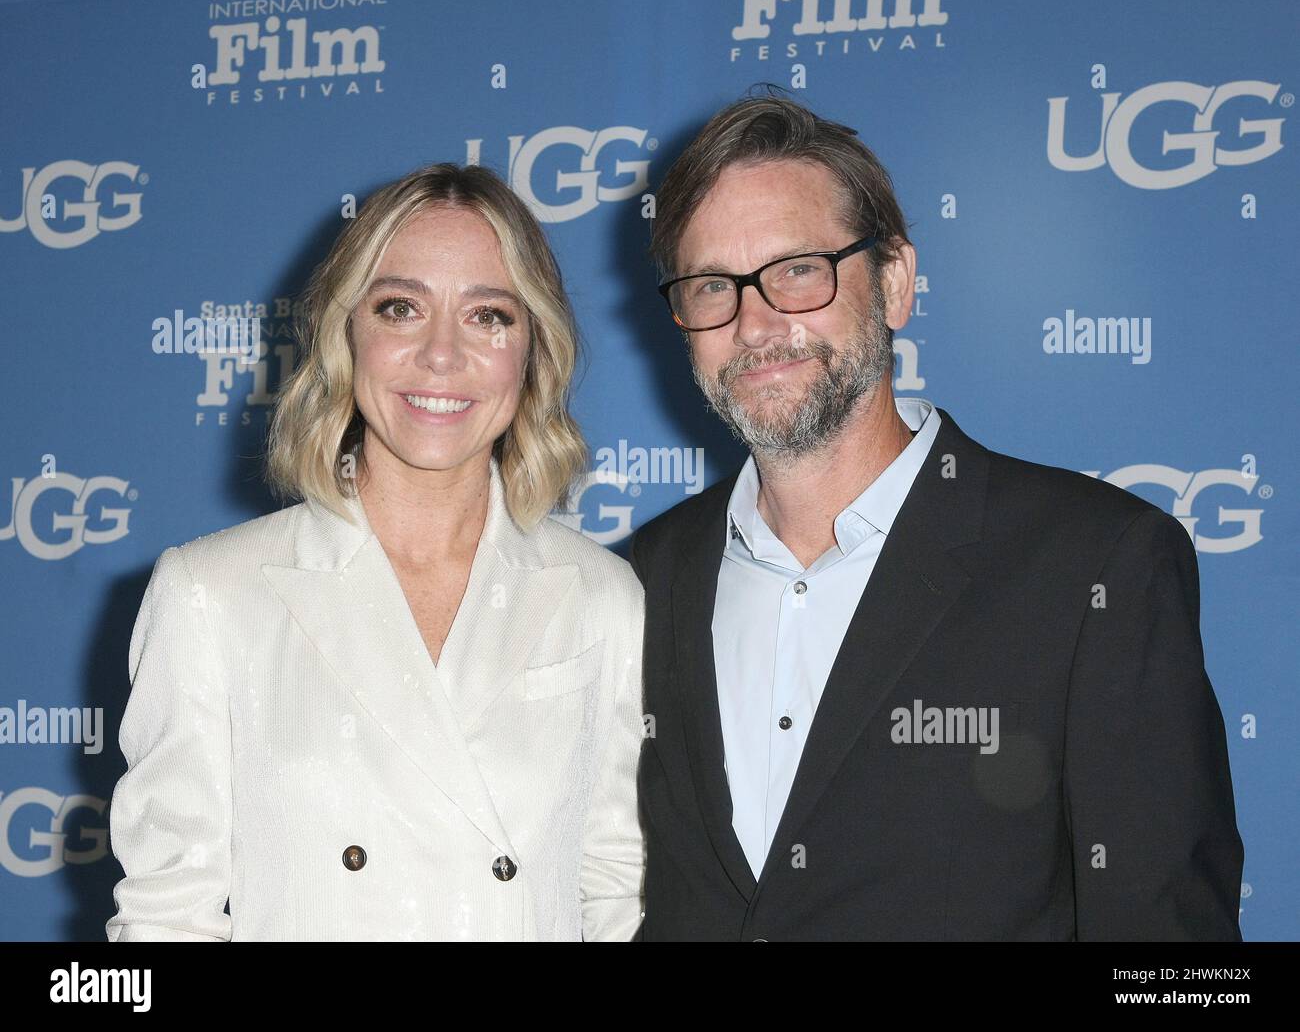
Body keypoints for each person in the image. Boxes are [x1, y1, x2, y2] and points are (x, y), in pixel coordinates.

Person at [629, 93, 1243, 941]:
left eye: (800, 269)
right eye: (711, 286)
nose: (757, 321)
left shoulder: (1096, 567)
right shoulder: (638, 579)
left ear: (896, 283)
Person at [105, 162, 645, 941]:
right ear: (345, 331)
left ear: (533, 349)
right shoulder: (210, 593)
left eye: (489, 315)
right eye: (400, 308)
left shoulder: (604, 597)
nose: (440, 354)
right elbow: (164, 918)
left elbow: (621, 894)